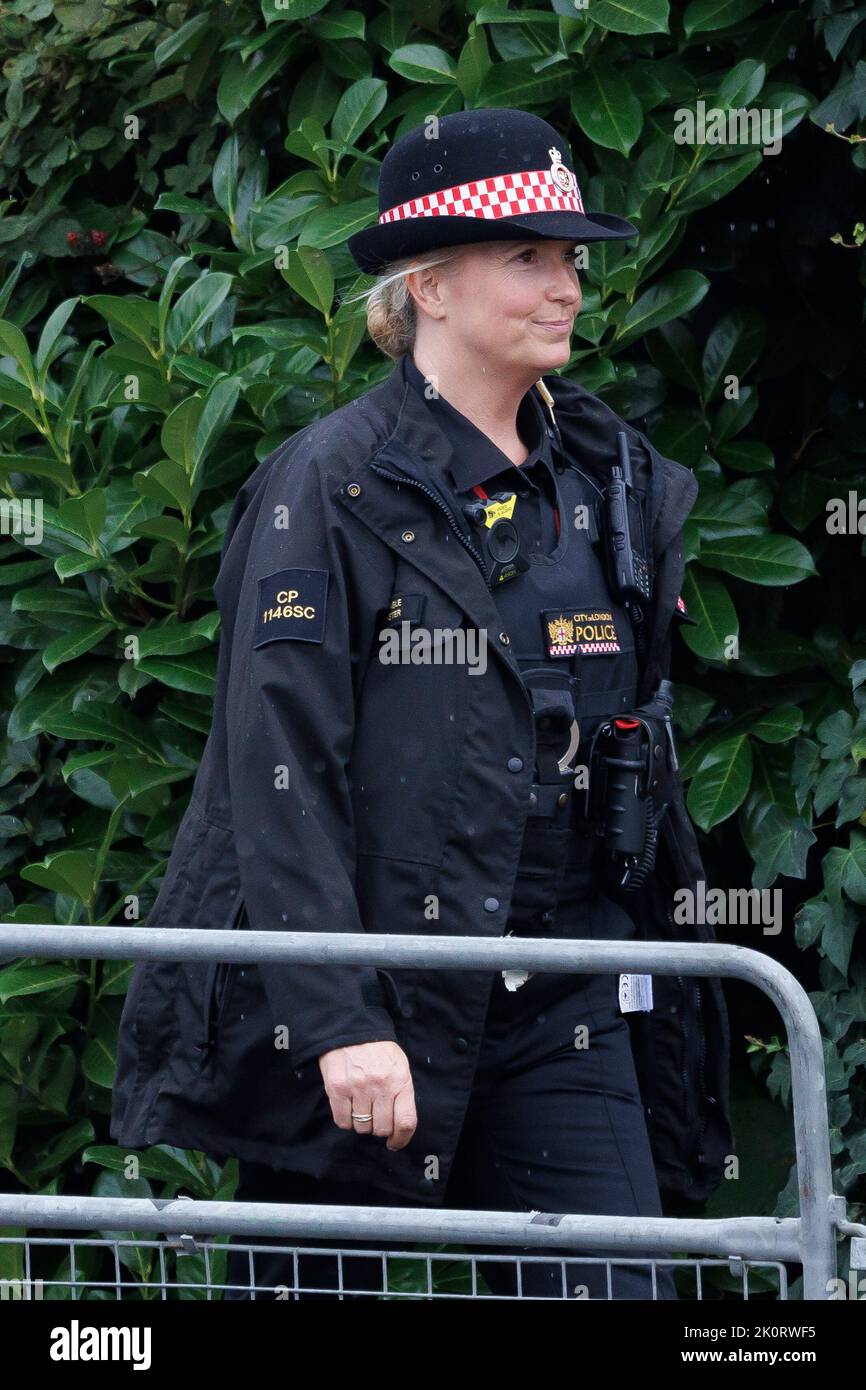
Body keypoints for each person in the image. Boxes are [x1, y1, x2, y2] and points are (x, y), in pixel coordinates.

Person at [110, 108, 734, 1300]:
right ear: (430, 287)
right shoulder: (328, 484)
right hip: (372, 1002)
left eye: (569, 259)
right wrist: (338, 1017)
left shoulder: (611, 482)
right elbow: (275, 774)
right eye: (528, 257)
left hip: (564, 1004)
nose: (566, 286)